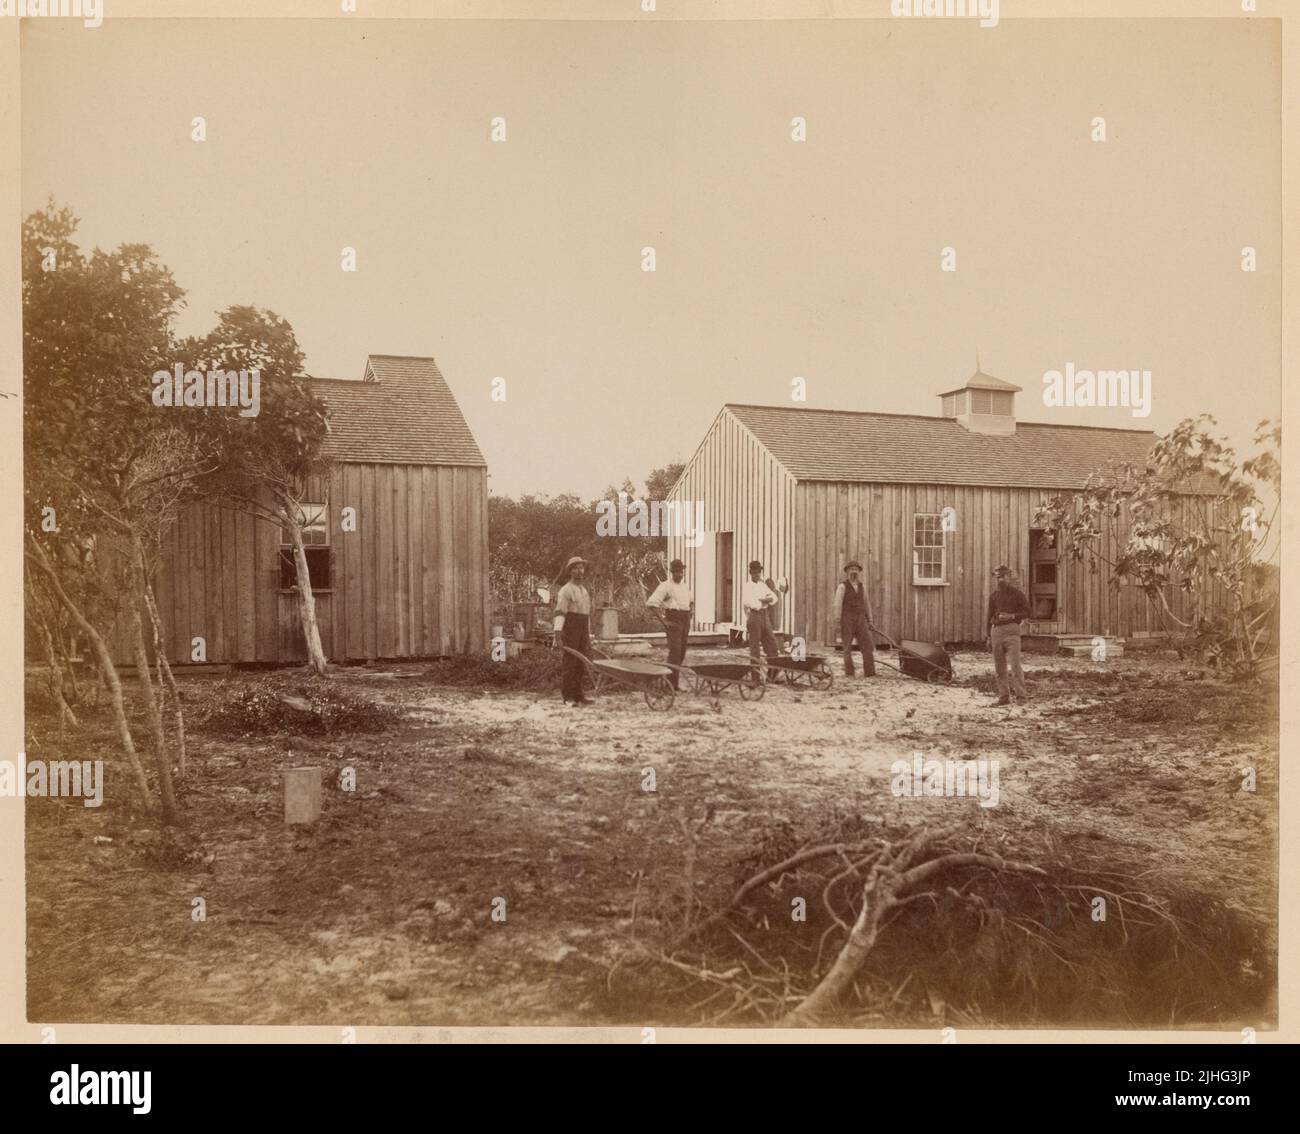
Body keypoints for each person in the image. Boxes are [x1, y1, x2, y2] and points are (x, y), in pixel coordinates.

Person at [986, 565, 1030, 705]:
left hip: (1012, 631)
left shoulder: (1017, 594)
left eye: (1002, 577)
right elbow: (989, 616)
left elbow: (1028, 612)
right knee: (999, 666)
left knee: (1015, 665)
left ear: (1008, 577)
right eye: (998, 577)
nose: (1000, 580)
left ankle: (1021, 697)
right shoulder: (994, 596)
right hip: (996, 632)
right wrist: (988, 636)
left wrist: (1012, 616)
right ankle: (1004, 697)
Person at [647, 558, 693, 689]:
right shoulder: (665, 586)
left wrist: (691, 613)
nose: (679, 574)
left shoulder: (685, 586)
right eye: (677, 572)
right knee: (675, 652)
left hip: (685, 619)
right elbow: (651, 603)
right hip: (673, 619)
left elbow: (691, 600)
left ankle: (674, 683)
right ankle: (670, 685)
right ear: (672, 572)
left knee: (682, 652)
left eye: (681, 572)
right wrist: (664, 620)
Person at [553, 556, 594, 706]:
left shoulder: (584, 591)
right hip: (570, 627)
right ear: (570, 571)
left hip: (582, 628)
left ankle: (579, 696)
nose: (579, 571)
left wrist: (588, 635)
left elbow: (586, 615)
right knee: (569, 664)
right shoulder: (566, 590)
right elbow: (560, 612)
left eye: (581, 568)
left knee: (581, 664)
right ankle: (568, 697)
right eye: (575, 568)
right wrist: (558, 635)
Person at [833, 560, 876, 677]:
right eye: (851, 569)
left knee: (867, 646)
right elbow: (837, 605)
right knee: (847, 648)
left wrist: (870, 621)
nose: (854, 572)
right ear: (847, 572)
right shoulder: (842, 587)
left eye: (856, 569)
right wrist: (837, 621)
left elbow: (867, 604)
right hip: (847, 620)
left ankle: (870, 672)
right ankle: (849, 672)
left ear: (859, 572)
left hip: (861, 620)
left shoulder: (863, 587)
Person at [741, 559, 781, 677]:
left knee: (772, 645)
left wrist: (764, 601)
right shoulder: (747, 586)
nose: (757, 574)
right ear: (750, 572)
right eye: (755, 572)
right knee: (755, 649)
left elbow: (774, 598)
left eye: (759, 572)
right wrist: (763, 602)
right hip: (754, 617)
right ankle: (755, 677)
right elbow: (749, 603)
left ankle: (772, 675)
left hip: (765, 617)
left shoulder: (762, 585)